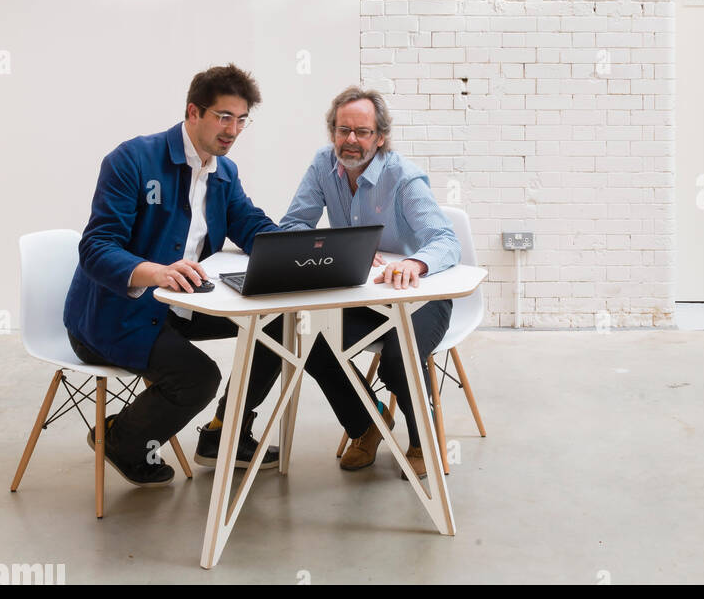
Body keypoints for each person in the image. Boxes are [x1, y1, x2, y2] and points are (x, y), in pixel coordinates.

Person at [63, 64, 285, 486]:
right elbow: (95, 248)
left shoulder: (224, 171)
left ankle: (227, 434)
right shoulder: (131, 160)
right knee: (198, 377)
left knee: (279, 325)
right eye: (224, 117)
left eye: (241, 120)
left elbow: (250, 225)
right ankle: (121, 439)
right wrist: (155, 273)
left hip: (182, 306)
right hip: (113, 318)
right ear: (193, 112)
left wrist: (300, 252)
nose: (233, 130)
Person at [278, 86, 460, 479]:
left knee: (398, 360)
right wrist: (340, 250)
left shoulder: (403, 177)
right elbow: (293, 226)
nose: (351, 140)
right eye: (343, 130)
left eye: (362, 132)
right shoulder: (322, 165)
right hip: (362, 297)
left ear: (379, 137)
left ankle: (421, 439)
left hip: (419, 300)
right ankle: (368, 426)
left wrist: (414, 263)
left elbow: (445, 240)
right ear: (332, 133)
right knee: (311, 340)